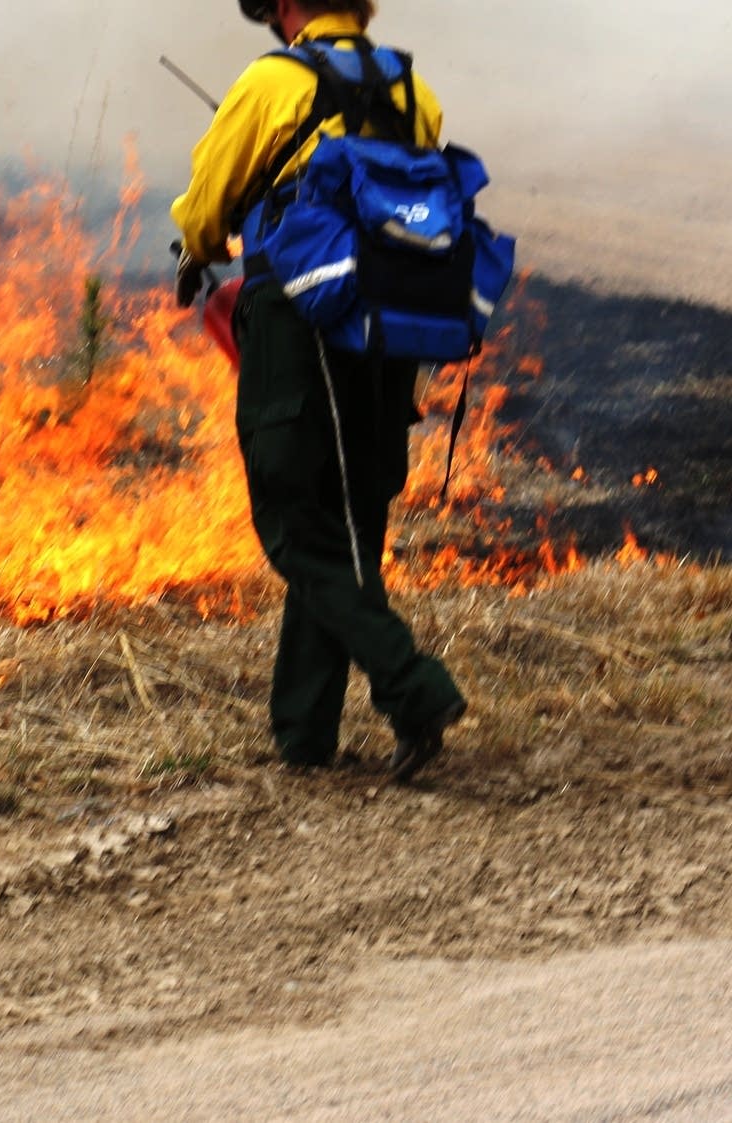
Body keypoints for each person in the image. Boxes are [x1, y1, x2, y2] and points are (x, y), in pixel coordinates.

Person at [171, 0, 466, 781]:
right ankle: (304, 732)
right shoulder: (414, 93)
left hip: (301, 321)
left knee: (298, 520)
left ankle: (413, 687)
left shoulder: (273, 80)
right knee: (350, 521)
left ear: (290, 6)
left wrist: (198, 246)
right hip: (389, 330)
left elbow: (208, 199)